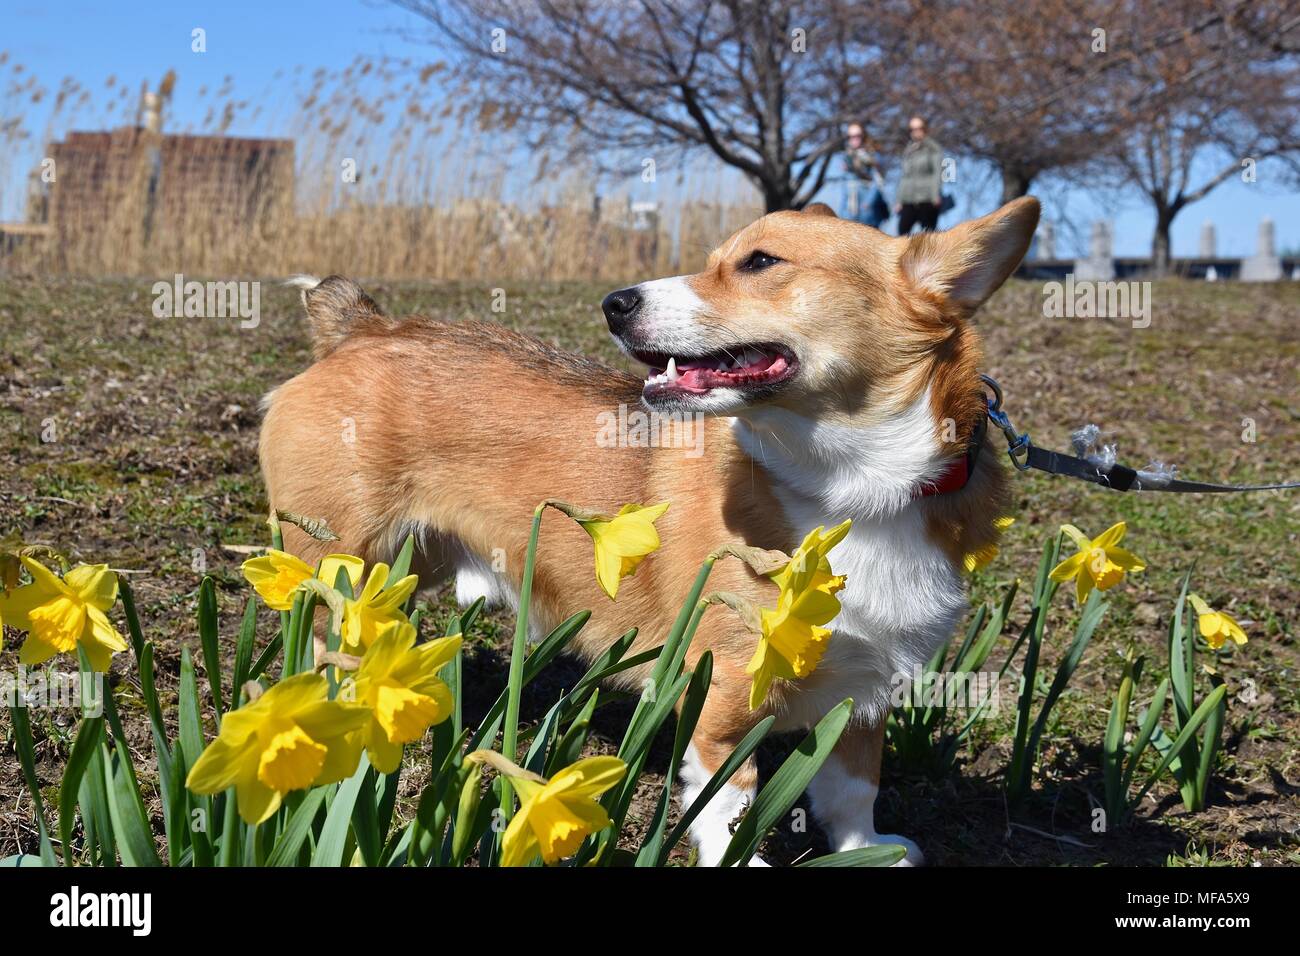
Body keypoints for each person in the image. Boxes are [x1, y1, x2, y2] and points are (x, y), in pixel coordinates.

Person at [833, 123, 890, 229]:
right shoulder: (846, 156)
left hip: (868, 209)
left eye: (857, 136)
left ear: (864, 136)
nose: (854, 139)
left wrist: (868, 203)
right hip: (849, 209)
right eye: (850, 136)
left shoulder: (873, 156)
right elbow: (845, 188)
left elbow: (879, 182)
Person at [895, 116, 944, 235]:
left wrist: (935, 194)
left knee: (929, 236)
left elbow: (937, 173)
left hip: (927, 198)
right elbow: (904, 177)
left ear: (925, 129)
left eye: (919, 128)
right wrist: (899, 200)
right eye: (912, 129)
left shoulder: (933, 148)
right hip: (909, 199)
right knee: (902, 232)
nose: (915, 132)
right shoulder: (908, 150)